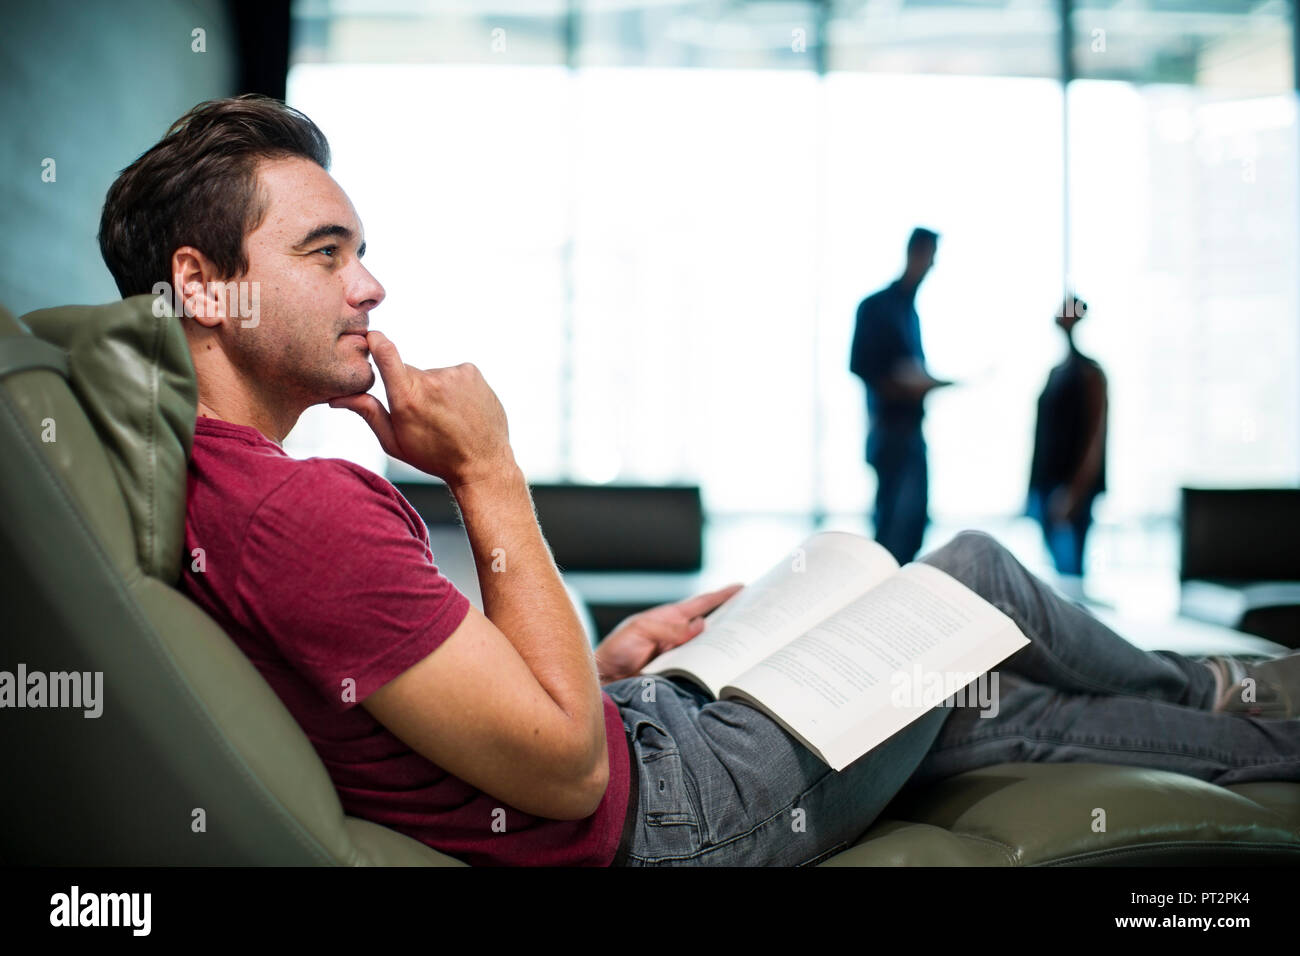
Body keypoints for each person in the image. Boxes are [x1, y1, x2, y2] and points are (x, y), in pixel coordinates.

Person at [97, 96, 1300, 867]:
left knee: (982, 696)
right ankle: (1224, 685)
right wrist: (487, 465)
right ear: (204, 285)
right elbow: (565, 770)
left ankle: (1269, 730)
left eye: (362, 249)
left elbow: (482, 710)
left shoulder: (227, 487)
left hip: (656, 737)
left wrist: (615, 664)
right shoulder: (299, 510)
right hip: (677, 809)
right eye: (327, 252)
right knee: (974, 577)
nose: (372, 287)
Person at [849, 228, 954, 564]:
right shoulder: (878, 308)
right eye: (930, 256)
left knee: (912, 525)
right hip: (890, 433)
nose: (932, 265)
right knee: (893, 529)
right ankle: (882, 609)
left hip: (910, 433)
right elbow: (863, 367)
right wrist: (904, 386)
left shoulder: (910, 312)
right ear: (916, 252)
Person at [1026, 294, 1107, 578]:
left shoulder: (1090, 373)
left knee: (1069, 575)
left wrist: (1074, 492)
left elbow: (1094, 440)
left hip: (1069, 489)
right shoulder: (1055, 372)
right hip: (1046, 485)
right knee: (1055, 572)